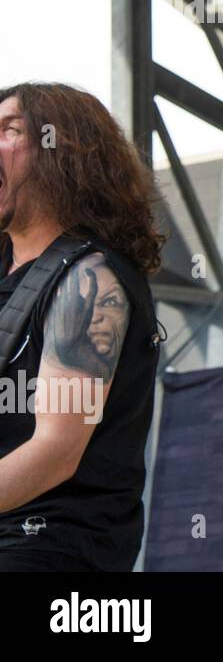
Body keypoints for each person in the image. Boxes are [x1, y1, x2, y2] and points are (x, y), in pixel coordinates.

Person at [0, 83, 164, 571]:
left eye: (9, 129)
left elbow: (54, 452)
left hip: (45, 549)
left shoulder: (90, 278)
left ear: (64, 150)